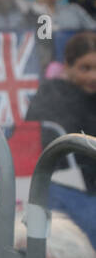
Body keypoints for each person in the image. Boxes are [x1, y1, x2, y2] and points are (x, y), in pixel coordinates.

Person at [26, 32, 96, 191]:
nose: (93, 77)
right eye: (85, 68)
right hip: (60, 187)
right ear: (67, 66)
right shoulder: (52, 94)